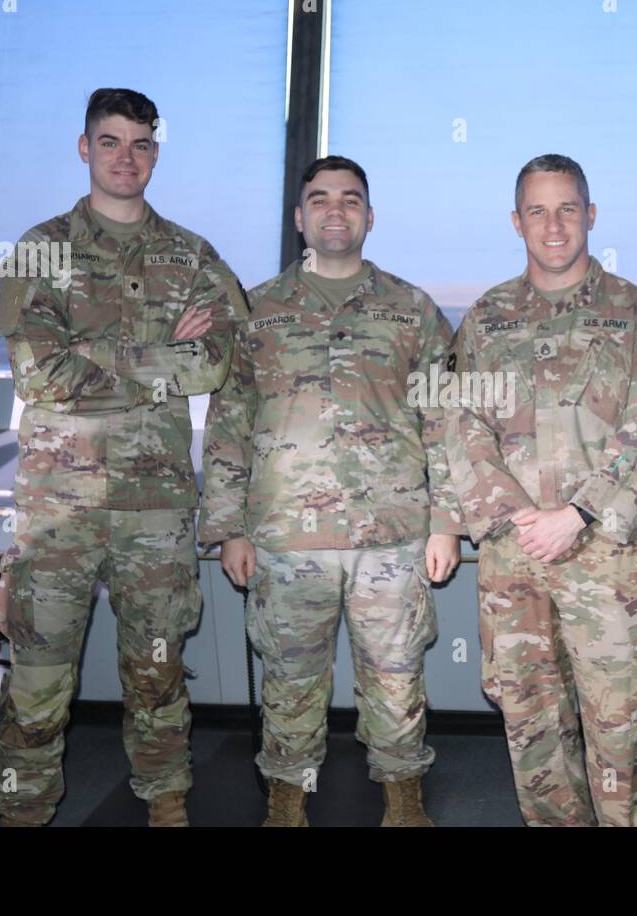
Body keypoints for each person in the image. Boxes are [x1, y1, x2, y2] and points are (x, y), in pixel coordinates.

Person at [0, 88, 248, 827]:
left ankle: (166, 805)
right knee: (37, 682)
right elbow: (40, 373)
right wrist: (160, 352)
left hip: (156, 510)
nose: (125, 157)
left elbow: (216, 364)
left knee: (159, 674)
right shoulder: (41, 249)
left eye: (139, 144)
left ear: (155, 154)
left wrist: (95, 356)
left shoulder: (191, 255)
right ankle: (22, 813)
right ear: (84, 148)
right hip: (57, 512)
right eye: (110, 142)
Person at [199, 156, 462, 827]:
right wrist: (230, 526)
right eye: (320, 200)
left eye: (351, 200)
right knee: (289, 677)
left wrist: (446, 521)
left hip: (393, 533)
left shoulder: (412, 310)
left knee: (398, 676)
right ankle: (287, 796)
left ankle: (402, 795)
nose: (335, 211)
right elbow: (230, 423)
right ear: (299, 218)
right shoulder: (256, 311)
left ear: (370, 217)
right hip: (286, 537)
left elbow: (447, 422)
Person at [445, 154, 637, 826]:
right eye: (539, 211)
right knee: (533, 726)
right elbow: (458, 427)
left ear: (591, 215)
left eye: (568, 208)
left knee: (620, 726)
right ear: (516, 221)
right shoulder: (486, 320)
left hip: (602, 558)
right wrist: (520, 516)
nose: (554, 225)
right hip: (513, 556)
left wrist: (577, 513)